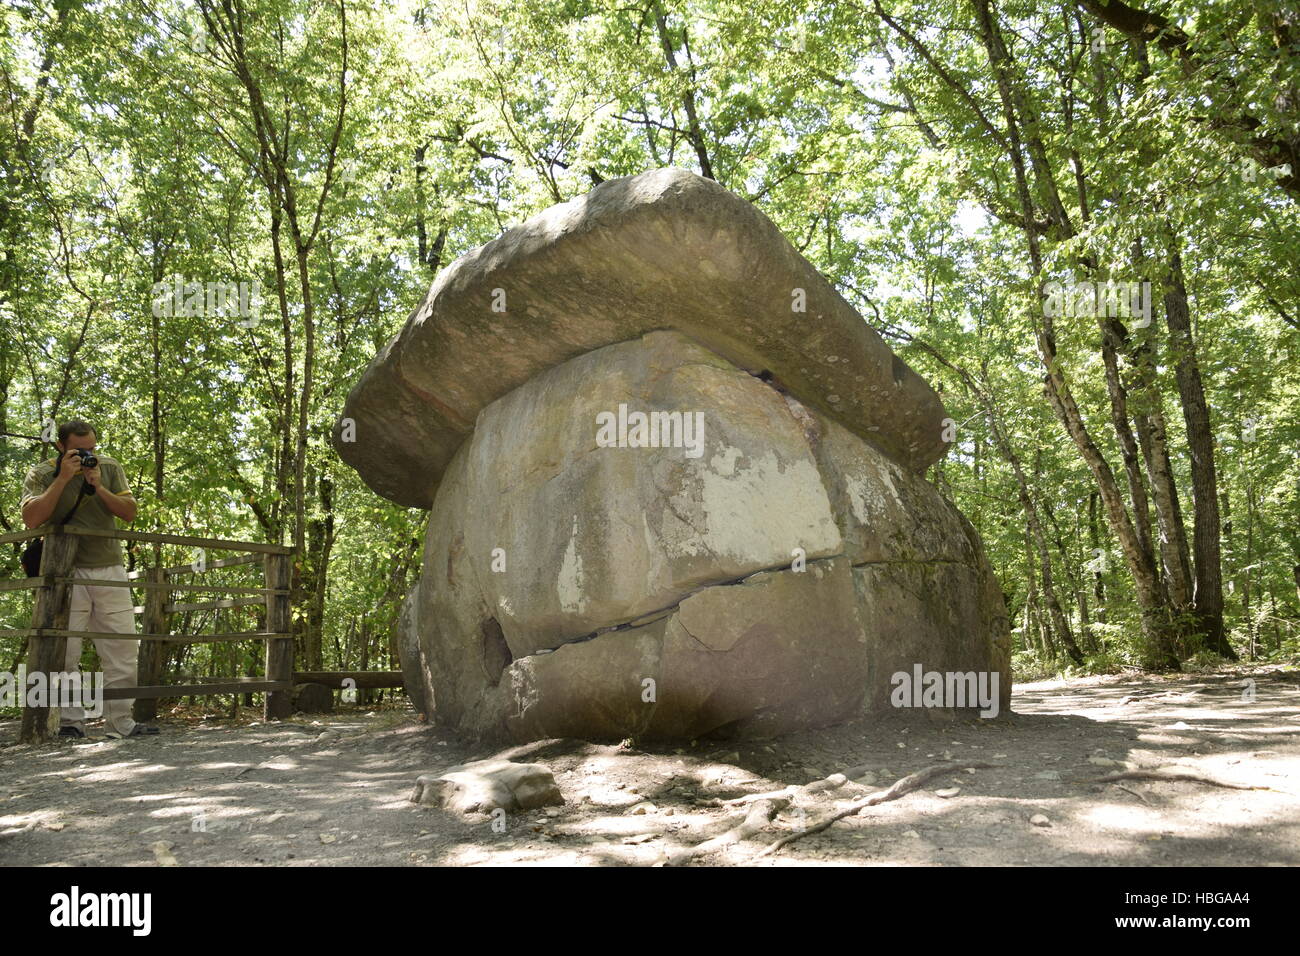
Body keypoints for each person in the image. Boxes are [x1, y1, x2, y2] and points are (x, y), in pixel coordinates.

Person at [19, 419, 159, 739]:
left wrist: (98, 486)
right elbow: (31, 519)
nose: (86, 454)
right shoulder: (41, 474)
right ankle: (71, 723)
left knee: (122, 650)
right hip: (65, 573)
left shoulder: (108, 467)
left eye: (91, 448)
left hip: (109, 567)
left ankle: (120, 722)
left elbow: (128, 512)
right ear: (60, 447)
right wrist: (64, 478)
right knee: (66, 653)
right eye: (78, 450)